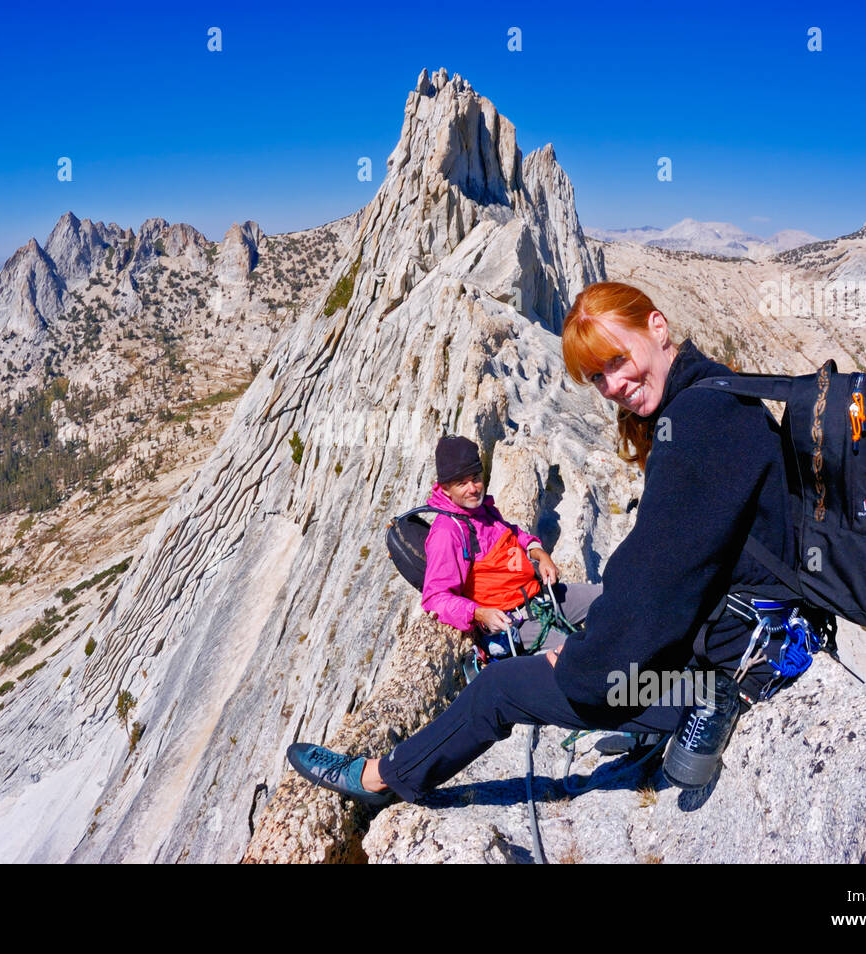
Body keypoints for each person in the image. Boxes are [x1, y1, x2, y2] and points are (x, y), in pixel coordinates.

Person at [287, 281, 802, 808]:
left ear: (658, 325)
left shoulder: (695, 426)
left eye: (617, 361)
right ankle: (643, 726)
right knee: (596, 611)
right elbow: (679, 565)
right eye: (597, 376)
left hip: (716, 681)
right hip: (756, 644)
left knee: (498, 689)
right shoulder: (720, 394)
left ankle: (378, 779)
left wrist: (580, 664)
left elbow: (659, 586)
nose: (613, 385)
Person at [422, 434, 600, 659]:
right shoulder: (447, 532)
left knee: (612, 595)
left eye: (476, 478)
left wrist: (540, 553)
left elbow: (514, 535)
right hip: (515, 622)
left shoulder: (482, 510)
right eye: (461, 483)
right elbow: (435, 598)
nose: (473, 488)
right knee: (579, 656)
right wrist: (478, 613)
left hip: (541, 598)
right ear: (446, 489)